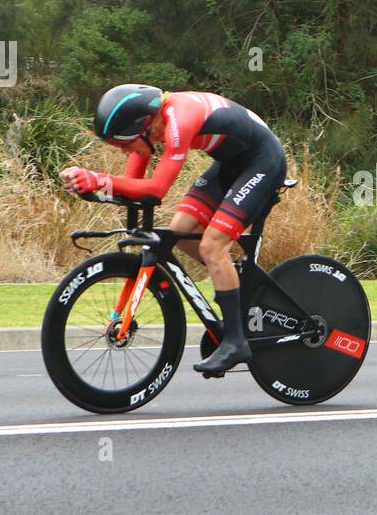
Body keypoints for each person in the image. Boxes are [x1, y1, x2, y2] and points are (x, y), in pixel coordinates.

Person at [60, 84, 286, 376]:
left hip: (262, 163)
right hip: (231, 165)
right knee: (178, 232)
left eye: (125, 144)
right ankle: (236, 284)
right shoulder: (151, 127)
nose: (126, 150)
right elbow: (132, 187)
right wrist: (88, 185)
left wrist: (100, 180)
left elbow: (156, 190)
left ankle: (235, 341)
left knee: (212, 246)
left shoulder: (179, 119)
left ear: (144, 128)